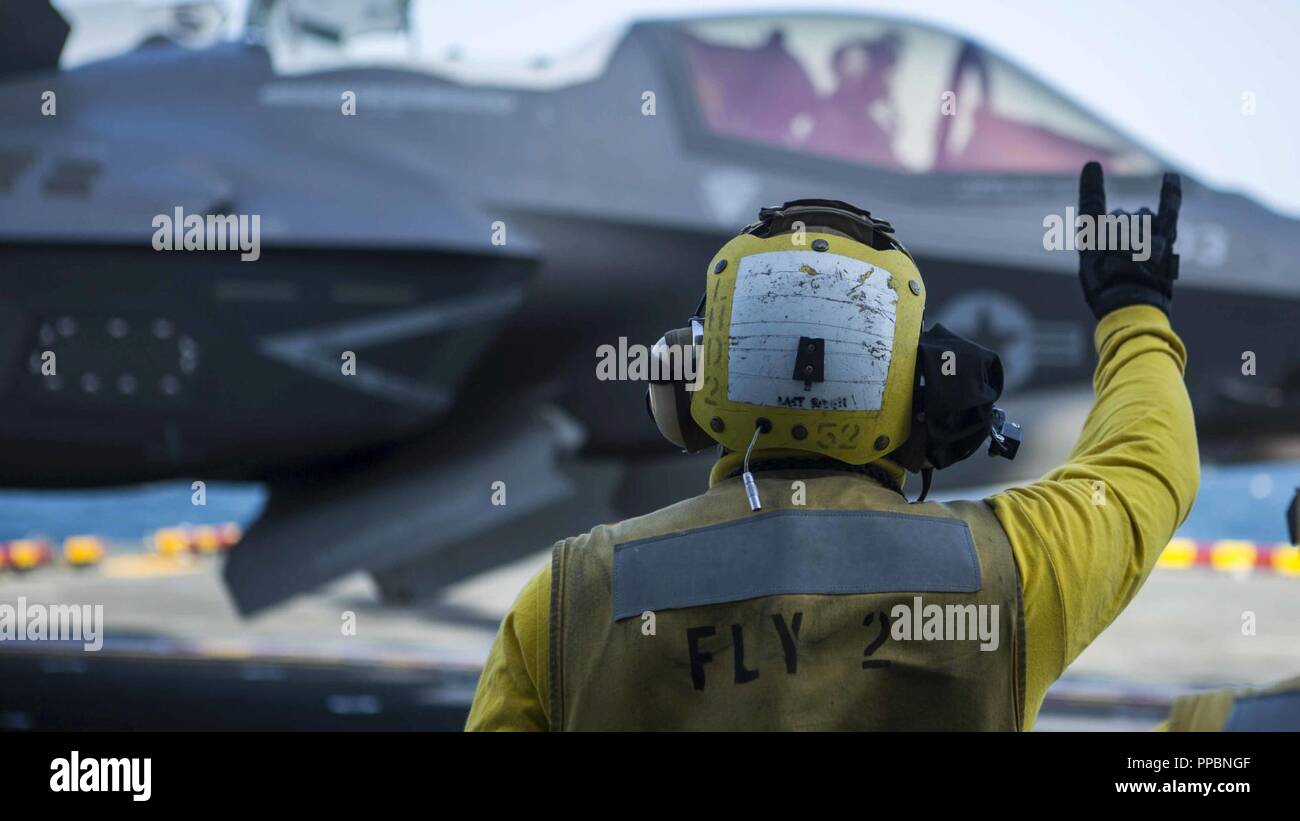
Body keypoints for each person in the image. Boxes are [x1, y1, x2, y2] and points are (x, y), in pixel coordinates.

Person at [466, 161, 1198, 730]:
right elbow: (1145, 463)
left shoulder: (571, 598)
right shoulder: (1012, 569)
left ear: (691, 379)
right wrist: (1133, 311)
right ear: (927, 395)